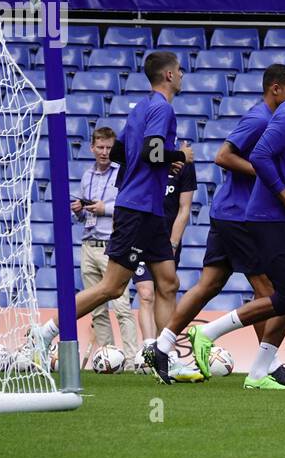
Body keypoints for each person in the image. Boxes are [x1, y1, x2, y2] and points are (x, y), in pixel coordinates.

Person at [30, 51, 194, 384]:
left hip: (148, 210)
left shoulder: (141, 109)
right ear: (167, 76)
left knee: (168, 282)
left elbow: (122, 152)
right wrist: (180, 155)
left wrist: (163, 162)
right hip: (137, 209)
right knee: (111, 288)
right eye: (179, 70)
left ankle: (163, 353)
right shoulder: (162, 108)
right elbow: (152, 151)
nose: (182, 74)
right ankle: (45, 332)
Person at [173, 59, 285, 386]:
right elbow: (261, 155)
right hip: (270, 216)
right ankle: (207, 334)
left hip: (279, 216)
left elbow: (281, 163)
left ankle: (259, 370)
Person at [149, 63, 285, 386]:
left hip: (229, 211)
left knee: (209, 285)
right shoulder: (259, 119)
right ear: (275, 89)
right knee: (267, 290)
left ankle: (161, 346)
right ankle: (268, 365)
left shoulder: (273, 120)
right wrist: (266, 175)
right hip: (238, 215)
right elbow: (222, 156)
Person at [72, 126, 139, 363]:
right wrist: (79, 210)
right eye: (100, 147)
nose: (104, 152)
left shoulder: (122, 172)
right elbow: (83, 215)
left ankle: (131, 359)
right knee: (96, 308)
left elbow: (128, 206)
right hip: (88, 243)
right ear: (92, 148)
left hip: (112, 244)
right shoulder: (87, 176)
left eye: (108, 148)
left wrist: (104, 208)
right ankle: (109, 357)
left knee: (121, 306)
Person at [131, 145, 196, 355]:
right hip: (139, 236)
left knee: (166, 290)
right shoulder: (138, 158)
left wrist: (173, 243)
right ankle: (149, 348)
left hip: (166, 241)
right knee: (146, 293)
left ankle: (165, 350)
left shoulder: (184, 164)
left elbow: (184, 208)